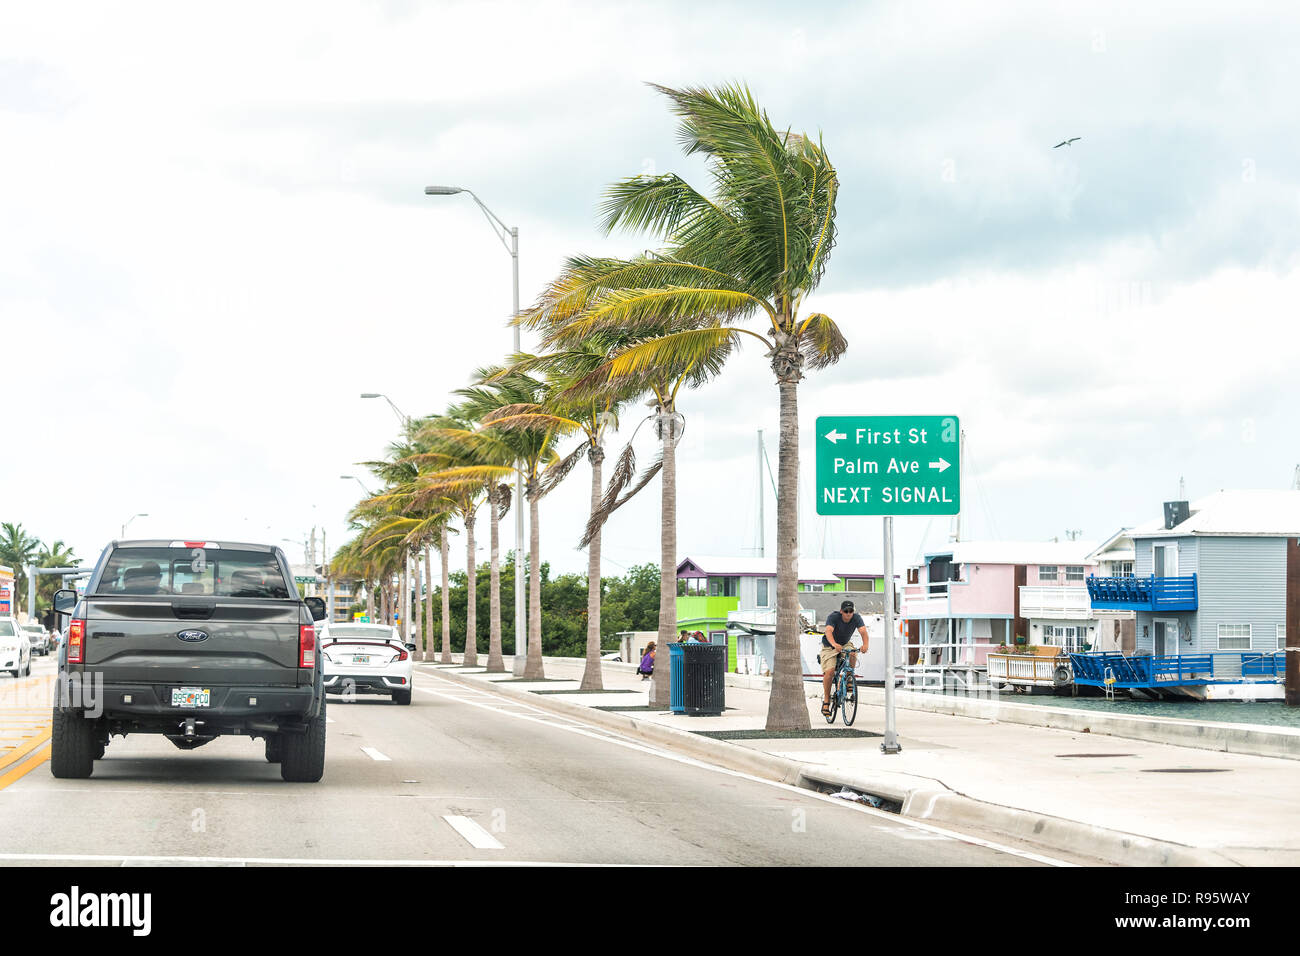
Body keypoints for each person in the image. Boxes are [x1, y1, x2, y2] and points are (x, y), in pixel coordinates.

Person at [821, 599, 868, 717]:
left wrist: (865, 645)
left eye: (850, 611)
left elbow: (863, 632)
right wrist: (834, 644)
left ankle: (849, 678)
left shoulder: (856, 618)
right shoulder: (834, 617)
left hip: (844, 643)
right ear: (841, 611)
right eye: (846, 611)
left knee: (852, 653)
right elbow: (828, 631)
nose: (848, 613)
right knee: (830, 672)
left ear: (853, 611)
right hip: (829, 645)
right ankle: (826, 700)